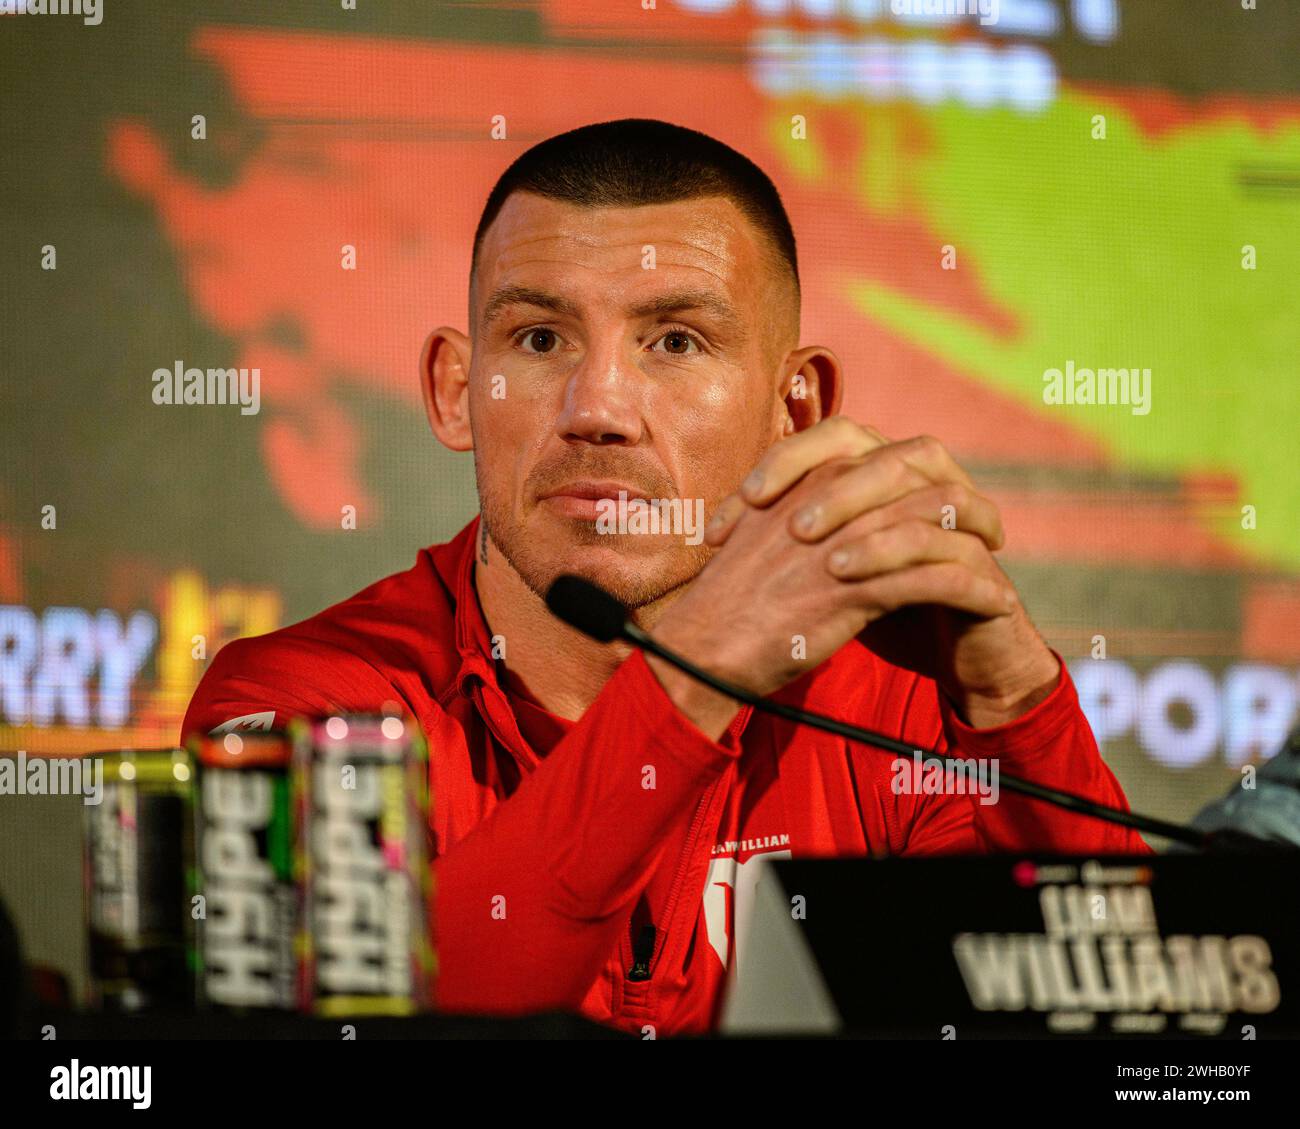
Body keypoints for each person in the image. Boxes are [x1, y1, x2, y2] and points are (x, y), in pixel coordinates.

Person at [183, 117, 1149, 1036]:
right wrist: (696, 668)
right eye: (539, 339)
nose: (598, 407)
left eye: (675, 341)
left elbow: (1128, 1045)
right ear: (455, 390)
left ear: (796, 406)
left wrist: (1021, 707)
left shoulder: (902, 712)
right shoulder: (300, 708)